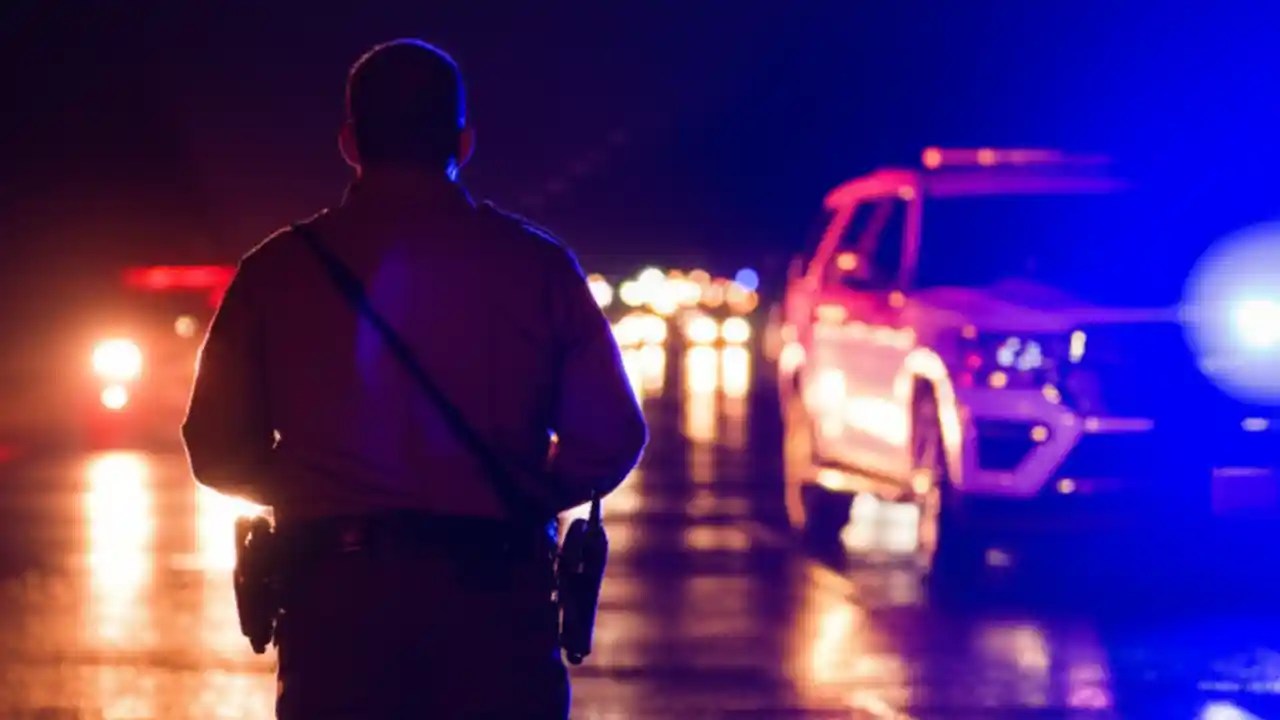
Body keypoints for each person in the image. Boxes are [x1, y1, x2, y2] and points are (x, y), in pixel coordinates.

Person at [182, 38, 648, 719]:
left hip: (335, 610)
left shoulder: (275, 271)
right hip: (497, 605)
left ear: (349, 142)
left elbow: (216, 446)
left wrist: (316, 488)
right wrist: (521, 491)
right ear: (463, 143)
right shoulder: (538, 266)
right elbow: (611, 435)